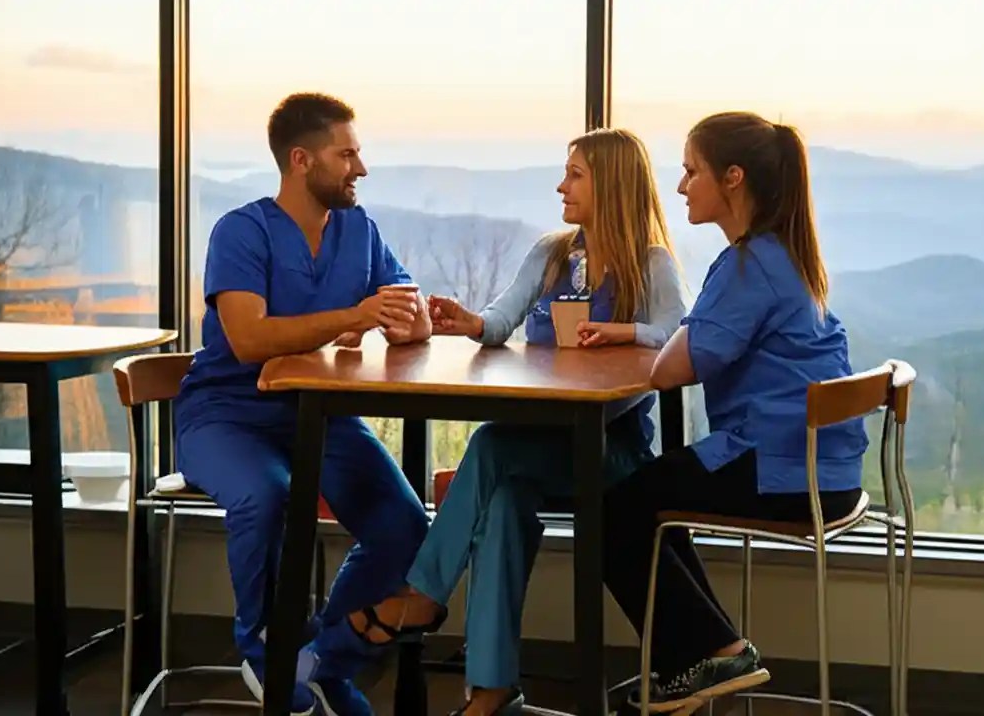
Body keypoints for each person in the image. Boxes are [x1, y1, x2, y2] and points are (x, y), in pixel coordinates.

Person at [332, 128, 686, 716]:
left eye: (575, 174)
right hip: (541, 447)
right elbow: (501, 320)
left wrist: (625, 332)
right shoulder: (551, 254)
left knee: (492, 445)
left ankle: (423, 595)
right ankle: (492, 692)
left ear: (612, 184)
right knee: (501, 502)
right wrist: (471, 323)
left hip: (610, 451)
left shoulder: (652, 265)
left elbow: (678, 336)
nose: (561, 186)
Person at [602, 112, 871, 714]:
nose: (680, 186)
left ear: (733, 178)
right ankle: (701, 658)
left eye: (691, 171)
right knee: (654, 497)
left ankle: (710, 653)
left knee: (617, 509)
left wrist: (681, 328)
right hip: (826, 471)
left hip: (782, 472)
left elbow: (669, 370)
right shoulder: (786, 257)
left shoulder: (748, 267)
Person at [173, 92, 431, 716]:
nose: (360, 168)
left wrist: (412, 319)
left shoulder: (359, 230)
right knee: (269, 495)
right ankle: (268, 654)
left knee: (404, 525)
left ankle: (323, 660)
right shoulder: (242, 231)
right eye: (347, 155)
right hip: (226, 415)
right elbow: (248, 339)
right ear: (300, 160)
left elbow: (407, 304)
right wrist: (353, 316)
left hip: (320, 415)